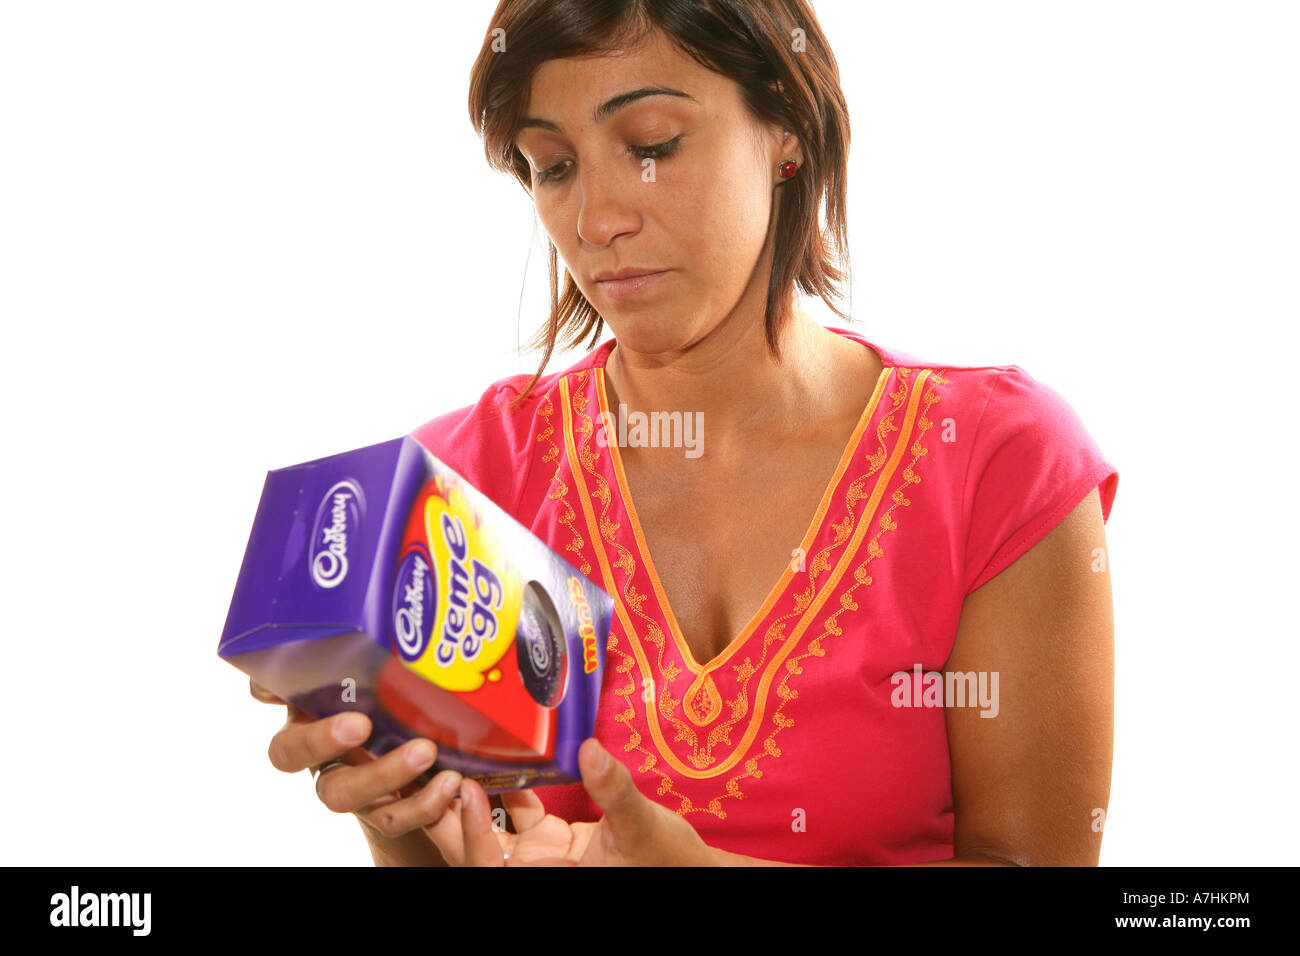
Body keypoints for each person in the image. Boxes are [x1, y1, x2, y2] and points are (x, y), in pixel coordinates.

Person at [253, 0, 1119, 866]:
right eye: (553, 166)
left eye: (652, 146)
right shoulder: (460, 487)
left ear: (786, 128)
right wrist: (394, 792)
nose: (595, 223)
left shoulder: (995, 464)